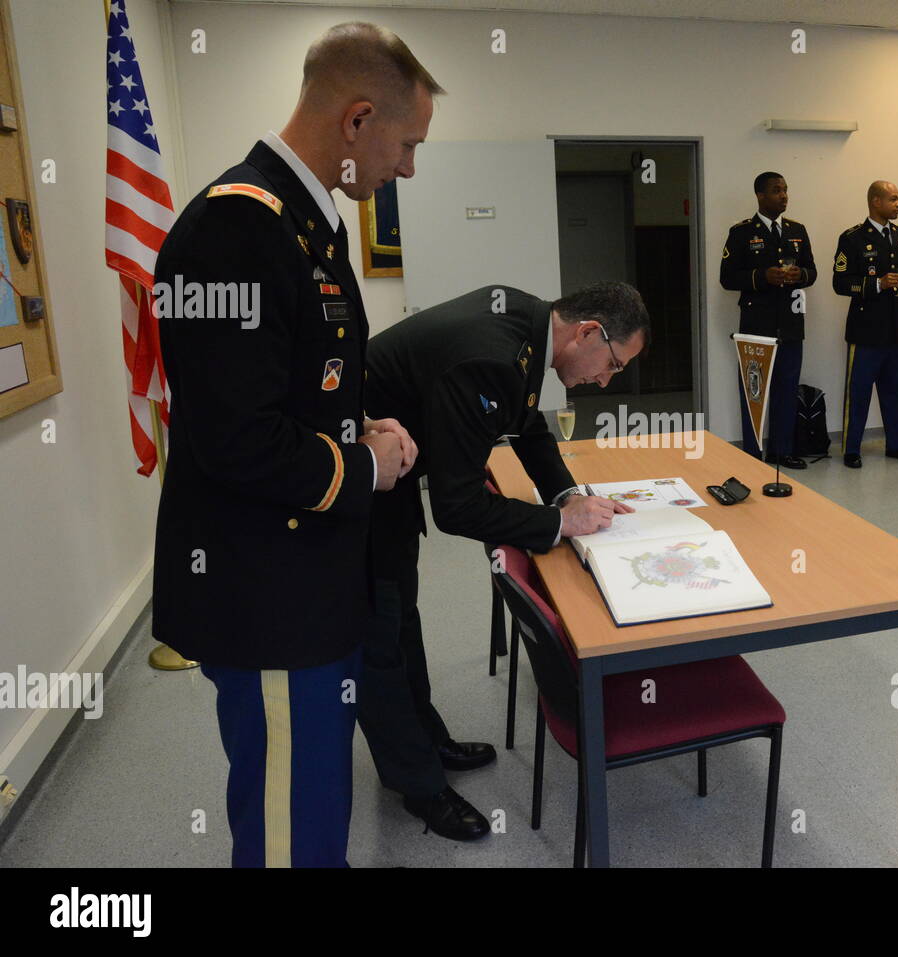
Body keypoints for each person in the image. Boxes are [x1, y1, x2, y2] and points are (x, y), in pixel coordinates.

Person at [152, 23, 436, 866]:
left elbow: (292, 391)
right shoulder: (235, 230)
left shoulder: (305, 223)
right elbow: (237, 438)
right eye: (406, 144)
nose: (408, 169)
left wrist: (357, 429)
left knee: (312, 812)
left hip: (311, 581)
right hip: (268, 596)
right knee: (291, 836)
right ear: (355, 121)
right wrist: (365, 465)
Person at [360, 282, 649, 840]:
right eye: (612, 364)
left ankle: (427, 740)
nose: (606, 381)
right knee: (380, 639)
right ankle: (419, 787)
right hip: (359, 489)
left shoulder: (524, 320)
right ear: (589, 332)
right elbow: (457, 508)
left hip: (390, 482)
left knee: (402, 622)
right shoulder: (491, 357)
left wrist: (566, 496)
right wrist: (560, 525)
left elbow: (527, 419)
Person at [719, 172, 817, 468]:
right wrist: (763, 276)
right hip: (756, 328)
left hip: (790, 325)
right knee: (754, 393)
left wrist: (799, 275)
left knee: (786, 391)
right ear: (760, 196)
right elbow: (727, 278)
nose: (784, 195)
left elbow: (812, 272)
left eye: (786, 190)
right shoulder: (741, 233)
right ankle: (752, 454)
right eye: (777, 191)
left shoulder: (797, 230)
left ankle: (781, 451)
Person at [832, 180, 898, 468]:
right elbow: (839, 282)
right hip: (865, 335)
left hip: (897, 333)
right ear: (876, 201)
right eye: (894, 199)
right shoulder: (852, 238)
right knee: (859, 394)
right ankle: (851, 450)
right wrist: (877, 283)